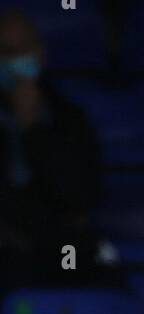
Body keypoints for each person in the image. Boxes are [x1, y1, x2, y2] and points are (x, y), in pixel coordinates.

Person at [0, 8, 105, 290]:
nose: (13, 61)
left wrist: (32, 130)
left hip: (58, 249)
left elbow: (79, 196)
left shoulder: (70, 118)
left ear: (40, 54)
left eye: (22, 51)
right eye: (5, 52)